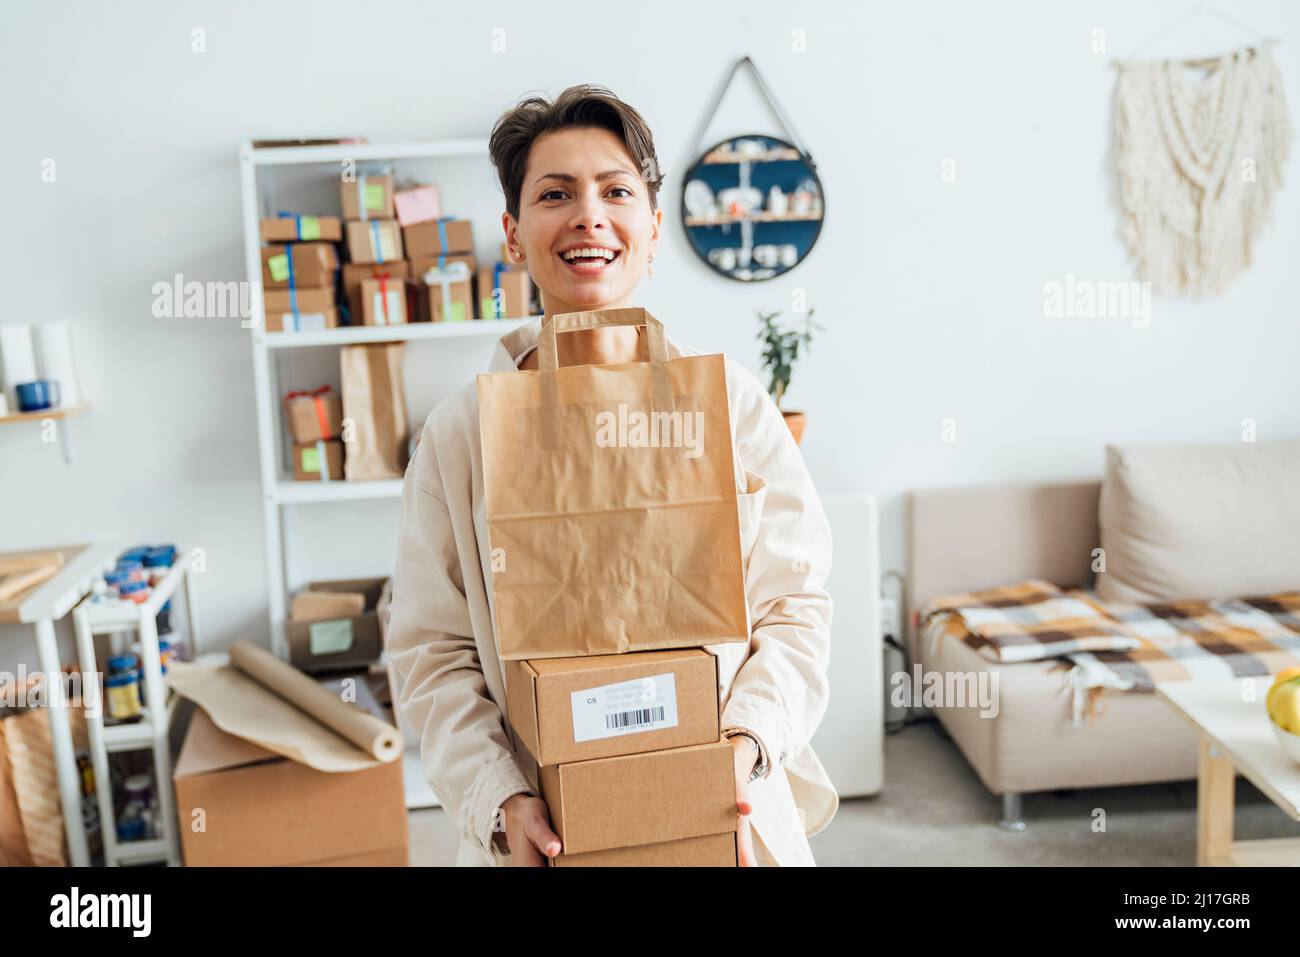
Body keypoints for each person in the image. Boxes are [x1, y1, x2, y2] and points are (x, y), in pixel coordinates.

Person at [387, 84, 836, 866]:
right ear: (515, 236)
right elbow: (432, 651)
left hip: (721, 803)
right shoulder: (463, 432)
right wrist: (500, 798)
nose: (587, 216)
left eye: (616, 191)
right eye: (554, 194)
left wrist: (747, 741)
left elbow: (796, 604)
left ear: (654, 229)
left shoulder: (727, 401)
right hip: (543, 831)